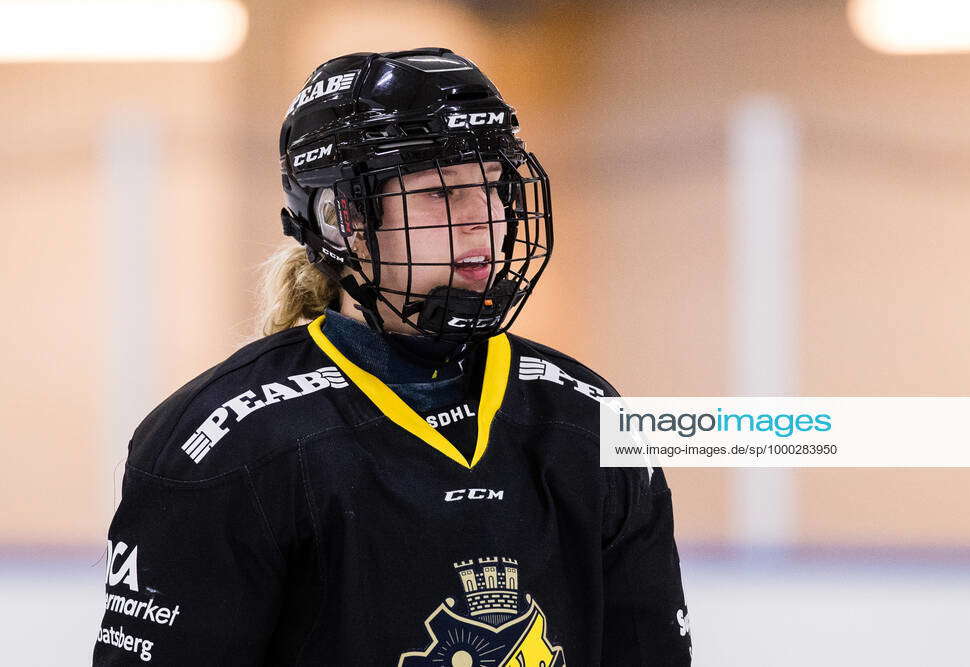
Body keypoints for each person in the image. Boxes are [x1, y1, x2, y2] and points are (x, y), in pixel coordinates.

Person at [93, 47, 692, 666]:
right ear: (344, 219)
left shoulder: (585, 417)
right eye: (441, 193)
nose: (484, 220)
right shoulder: (227, 444)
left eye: (492, 186)